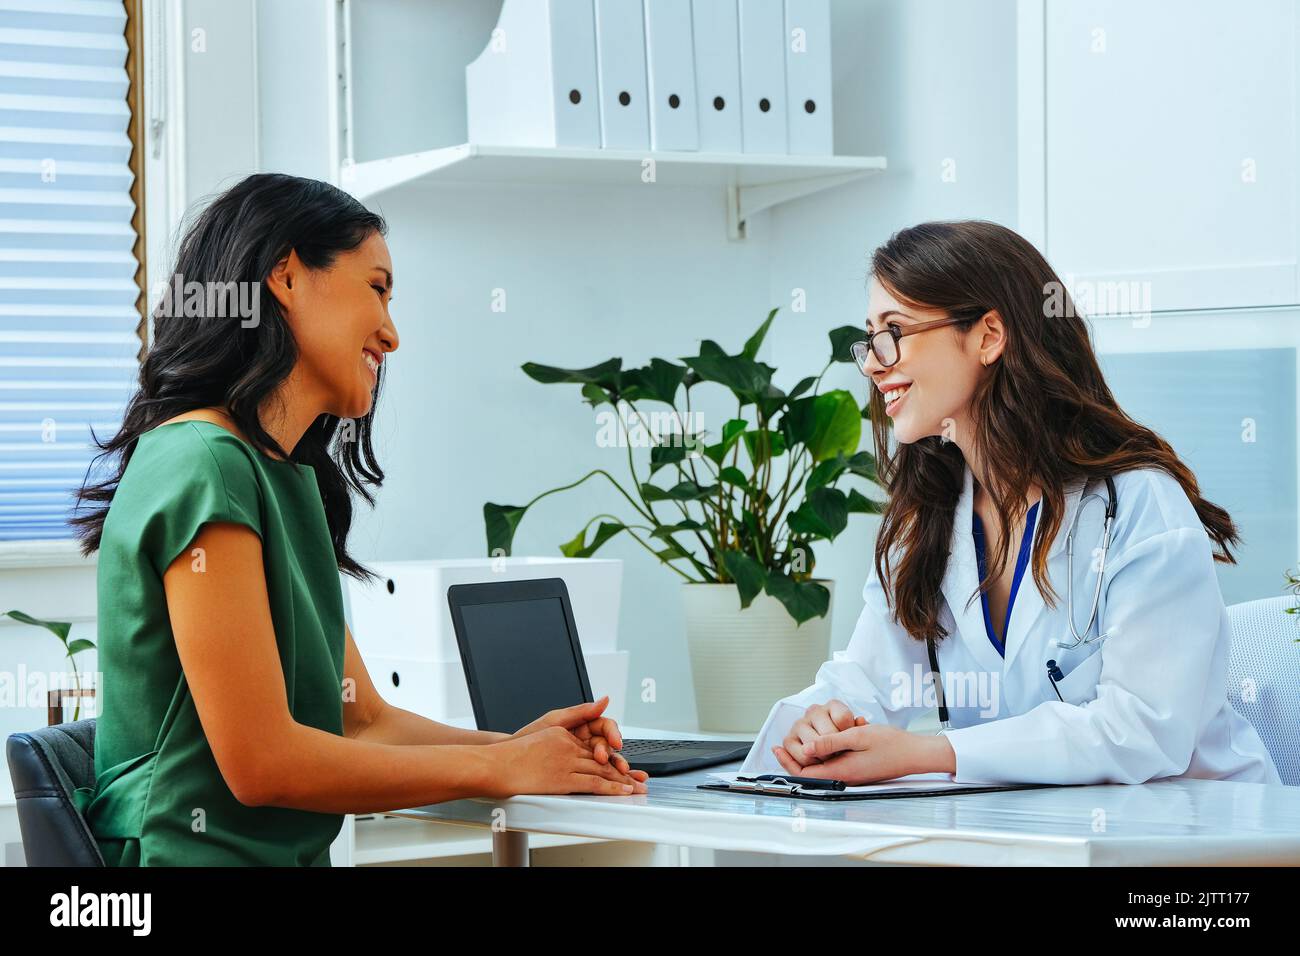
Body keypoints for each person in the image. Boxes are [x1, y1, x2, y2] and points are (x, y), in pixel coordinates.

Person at [70, 173, 646, 866]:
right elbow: (261, 764)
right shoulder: (204, 461)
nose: (392, 334)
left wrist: (522, 749)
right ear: (285, 274)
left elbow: (362, 721)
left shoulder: (279, 479)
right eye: (378, 288)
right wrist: (499, 771)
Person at [742, 220, 1283, 788]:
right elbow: (869, 680)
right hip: (1040, 830)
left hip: (1204, 839)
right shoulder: (930, 520)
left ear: (989, 335)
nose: (875, 363)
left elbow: (1142, 729)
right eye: (870, 339)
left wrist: (931, 753)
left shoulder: (1135, 504)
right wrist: (818, 722)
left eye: (894, 332)